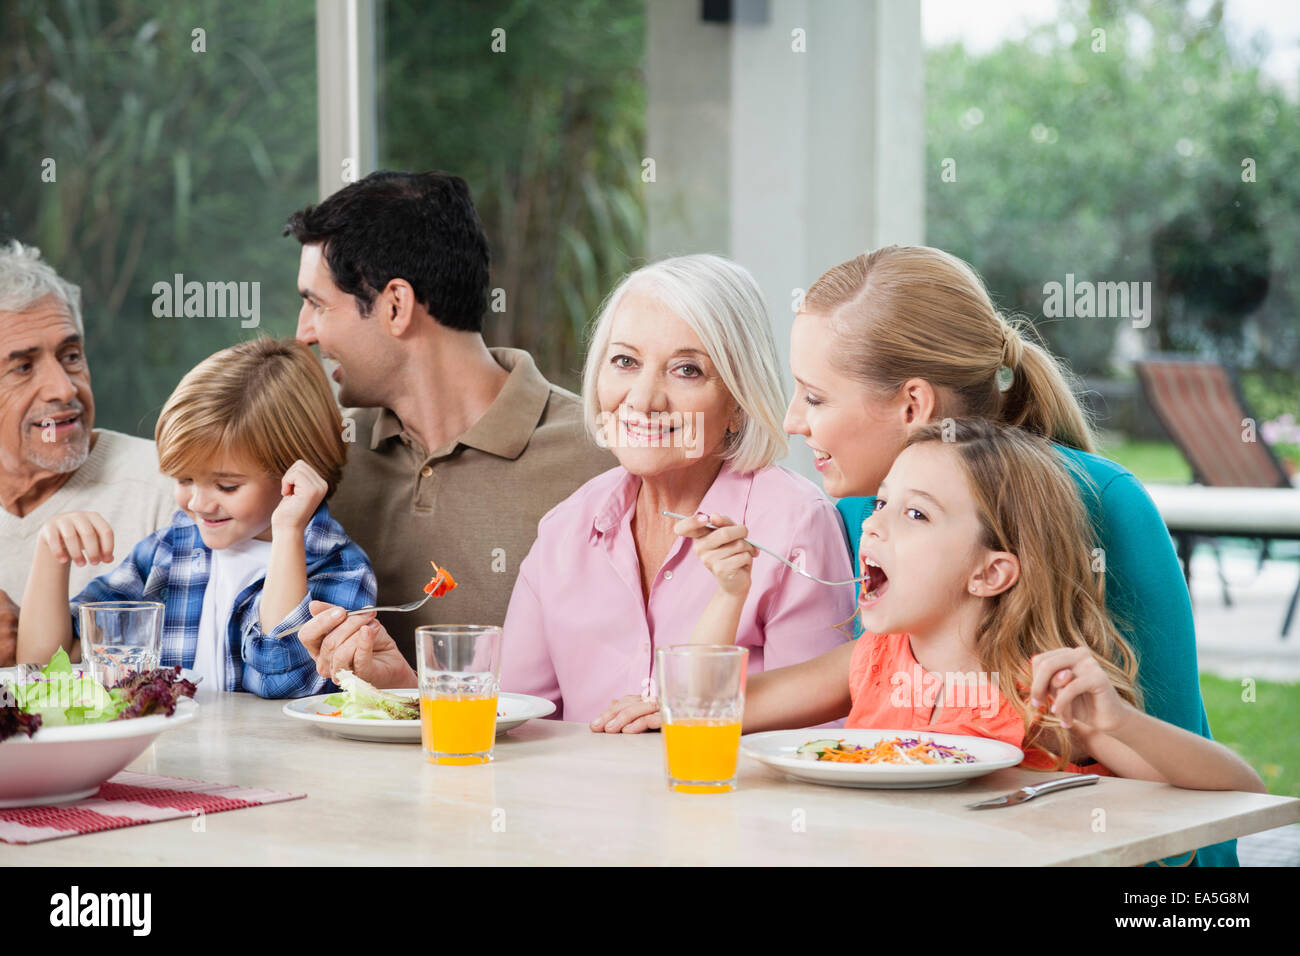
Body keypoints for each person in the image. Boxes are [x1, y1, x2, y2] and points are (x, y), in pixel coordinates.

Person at [299, 255, 855, 720]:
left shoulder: (794, 521)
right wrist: (399, 682)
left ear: (737, 399)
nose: (642, 399)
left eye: (687, 370)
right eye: (625, 362)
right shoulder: (567, 527)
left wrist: (689, 715)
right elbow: (511, 715)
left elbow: (812, 731)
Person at [684, 418, 1264, 794]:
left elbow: (1241, 788)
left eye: (916, 514)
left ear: (990, 572)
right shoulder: (876, 660)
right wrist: (731, 592)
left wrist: (1117, 722)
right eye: (881, 503)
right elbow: (716, 708)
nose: (874, 526)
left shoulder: (1040, 690)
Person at [285, 170, 614, 668]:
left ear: (396, 305)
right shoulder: (324, 461)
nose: (303, 332)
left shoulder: (601, 457)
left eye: (317, 304)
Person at [16, 339, 375, 698]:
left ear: (296, 474)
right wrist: (52, 552)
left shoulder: (341, 568)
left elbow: (283, 681)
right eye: (185, 479)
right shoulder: (169, 551)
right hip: (173, 754)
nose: (199, 503)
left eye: (227, 485)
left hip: (279, 754)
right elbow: (45, 670)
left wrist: (288, 530)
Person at [0, 240, 174, 665]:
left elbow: (209, 665)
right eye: (23, 367)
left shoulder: (174, 488)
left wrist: (35, 640)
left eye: (71, 356)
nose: (65, 389)